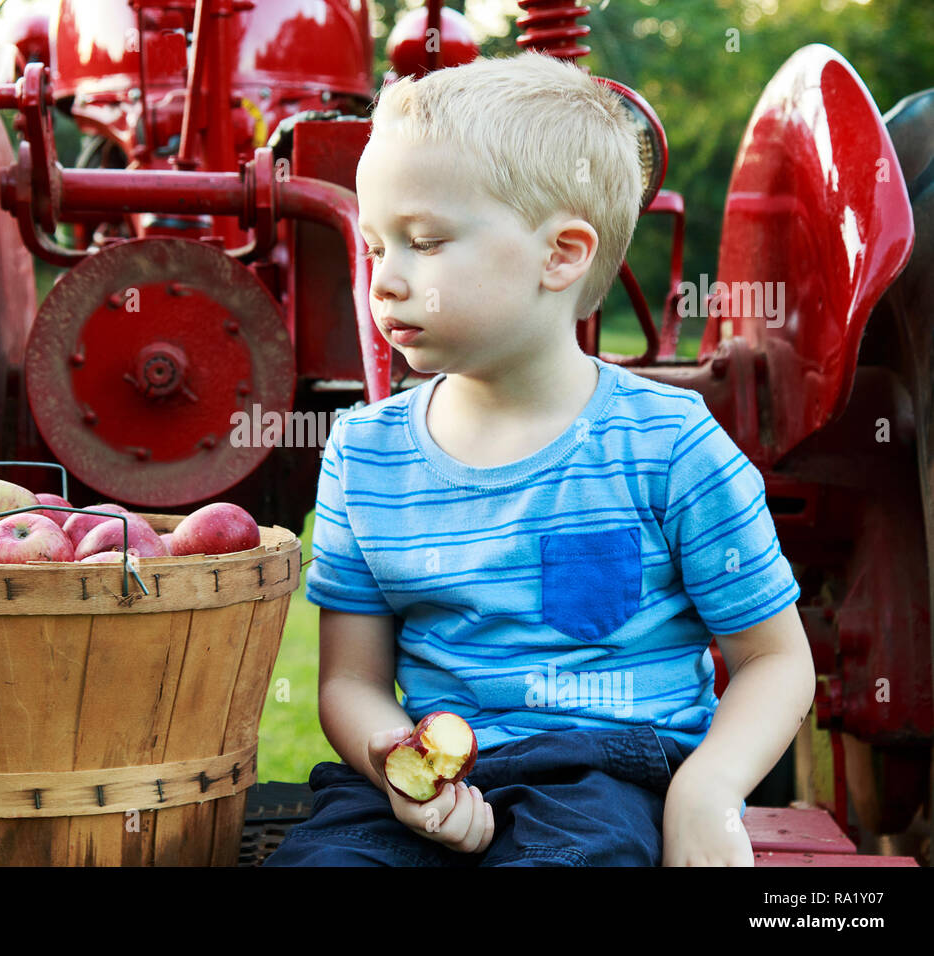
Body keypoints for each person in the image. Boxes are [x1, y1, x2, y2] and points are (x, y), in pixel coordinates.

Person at [262, 51, 816, 867]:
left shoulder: (669, 445)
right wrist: (399, 766)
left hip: (604, 778)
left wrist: (707, 791)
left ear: (561, 255)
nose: (385, 280)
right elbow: (350, 680)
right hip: (426, 785)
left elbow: (773, 660)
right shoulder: (362, 454)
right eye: (377, 246)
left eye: (425, 242)